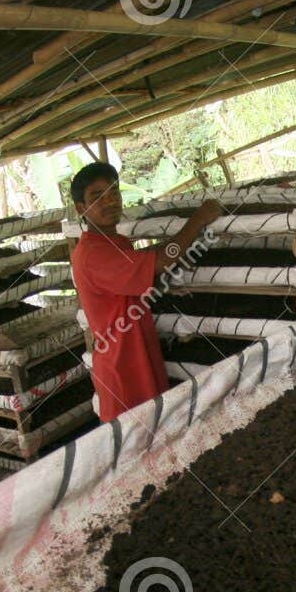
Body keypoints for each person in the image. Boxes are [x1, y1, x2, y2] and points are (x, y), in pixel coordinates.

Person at [69, 163, 222, 421]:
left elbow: (150, 260)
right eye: (98, 197)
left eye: (114, 192)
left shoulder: (115, 243)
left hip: (138, 355)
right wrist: (199, 218)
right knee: (136, 444)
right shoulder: (94, 254)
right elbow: (161, 261)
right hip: (122, 368)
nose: (110, 201)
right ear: (81, 209)